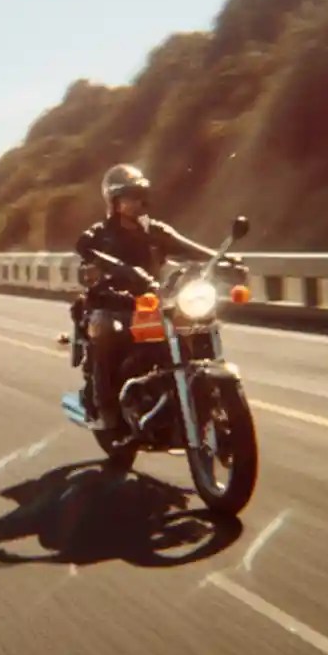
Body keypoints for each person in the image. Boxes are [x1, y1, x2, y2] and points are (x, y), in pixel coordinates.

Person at [71, 164, 240, 449]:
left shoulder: (155, 231)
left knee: (195, 323)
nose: (138, 202)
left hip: (153, 302)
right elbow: (85, 248)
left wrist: (226, 261)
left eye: (140, 195)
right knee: (105, 328)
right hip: (115, 304)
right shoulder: (100, 234)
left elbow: (189, 248)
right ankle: (106, 411)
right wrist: (121, 270)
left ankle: (199, 396)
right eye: (130, 196)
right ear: (114, 201)